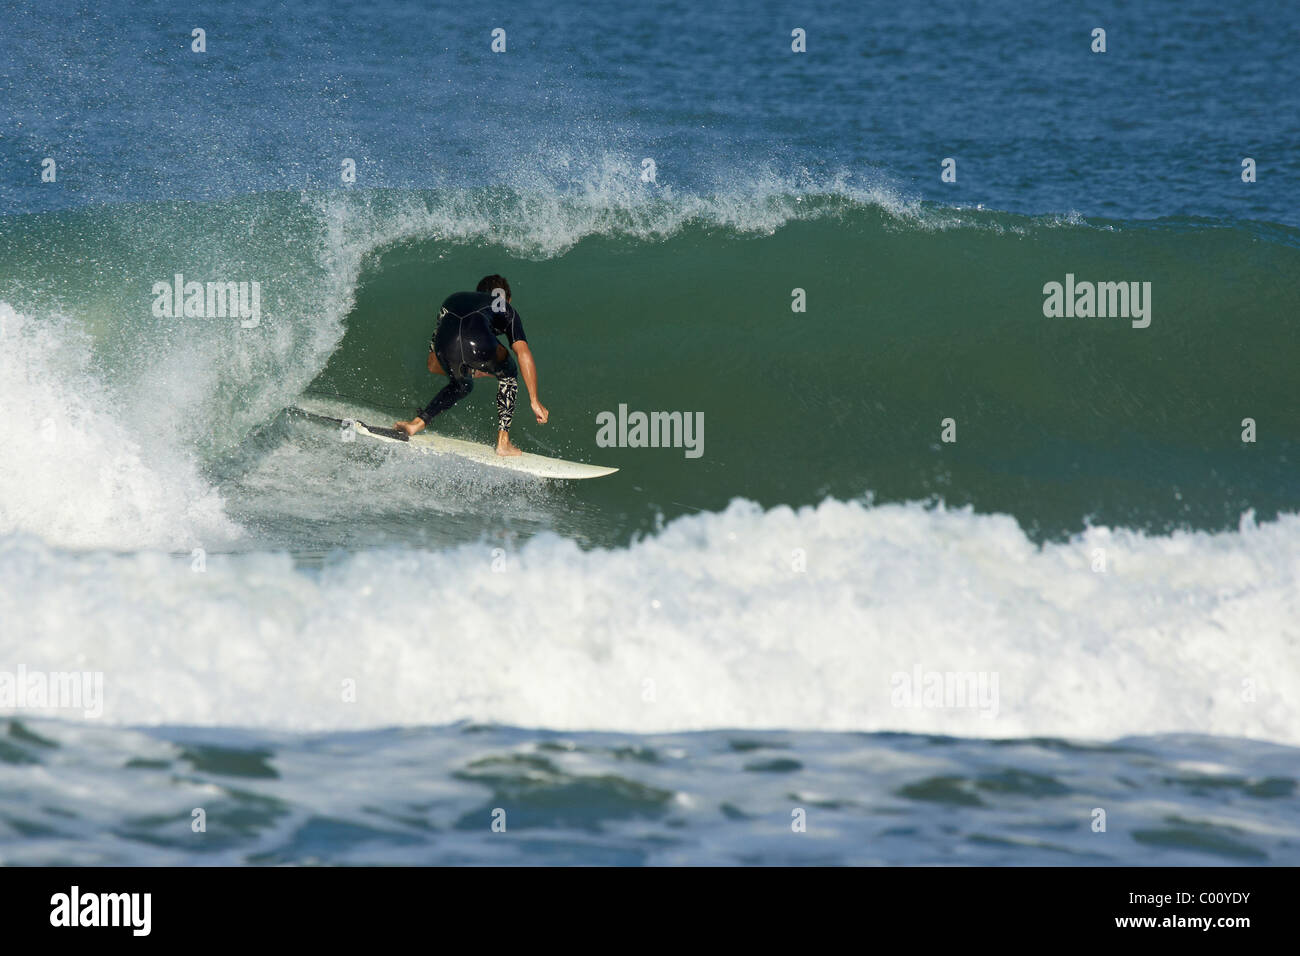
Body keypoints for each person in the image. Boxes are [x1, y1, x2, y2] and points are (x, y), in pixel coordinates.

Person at [393, 275, 549, 456]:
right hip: (479, 344)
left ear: (477, 294)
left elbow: (433, 364)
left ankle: (415, 424)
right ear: (508, 298)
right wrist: (534, 400)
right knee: (509, 374)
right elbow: (522, 352)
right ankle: (503, 442)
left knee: (462, 384)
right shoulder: (505, 308)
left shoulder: (453, 300)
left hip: (447, 345)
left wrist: (471, 372)